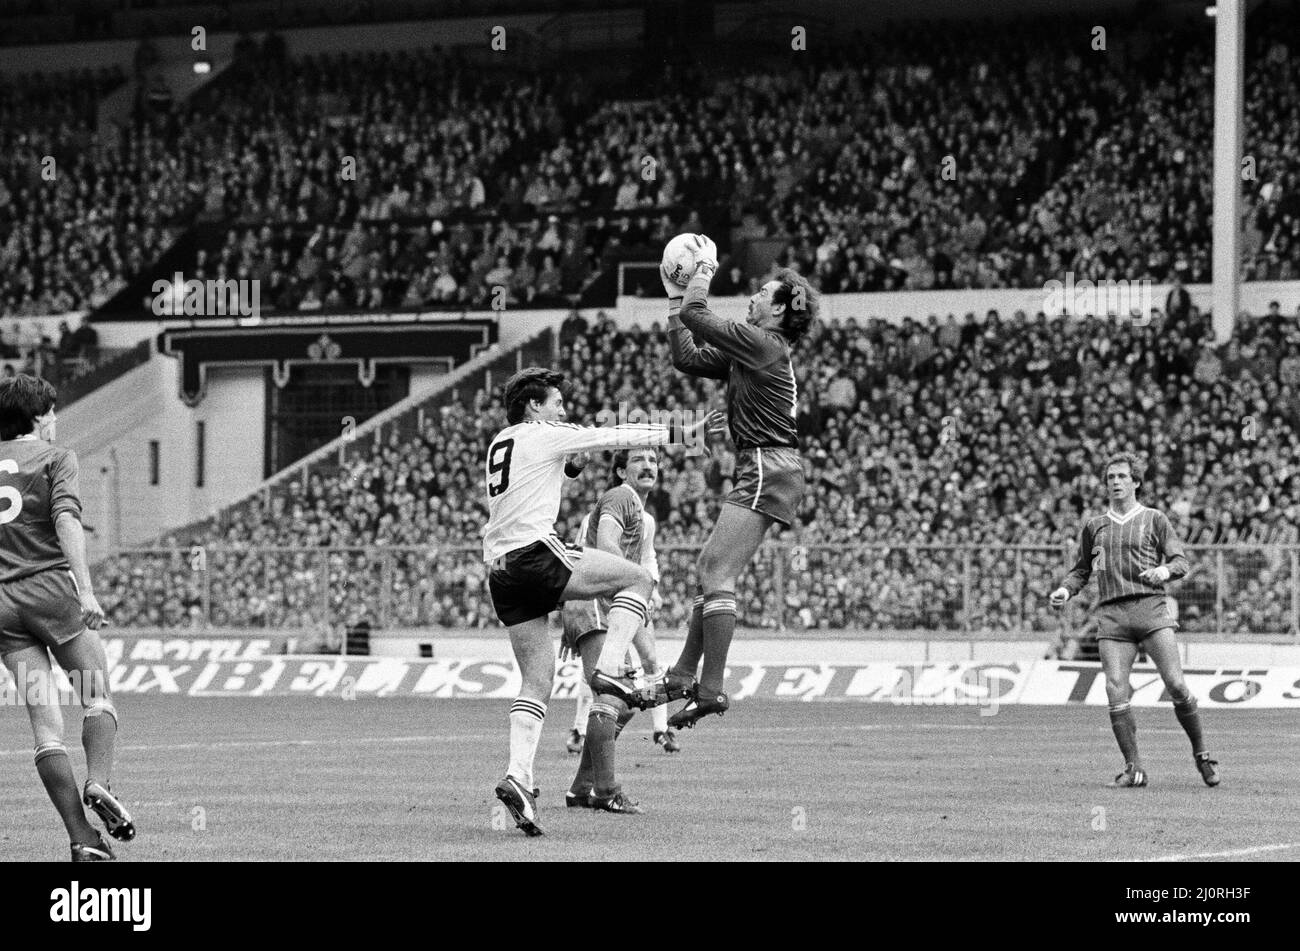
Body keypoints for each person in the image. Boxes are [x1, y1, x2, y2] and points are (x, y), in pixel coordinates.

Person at [482, 367, 717, 834]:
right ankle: (609, 670)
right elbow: (611, 433)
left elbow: (561, 469)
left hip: (500, 569)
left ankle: (519, 780)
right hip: (534, 552)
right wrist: (679, 431)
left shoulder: (501, 442)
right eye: (556, 402)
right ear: (534, 408)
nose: (563, 409)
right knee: (638, 579)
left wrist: (574, 461)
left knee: (537, 680)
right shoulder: (544, 433)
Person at [659, 237, 818, 728]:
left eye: (761, 294)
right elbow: (685, 356)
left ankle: (709, 686)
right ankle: (689, 675)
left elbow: (699, 314)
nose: (751, 297)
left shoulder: (764, 344)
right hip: (767, 465)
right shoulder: (753, 350)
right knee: (710, 567)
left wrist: (702, 270)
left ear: (777, 312)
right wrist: (672, 297)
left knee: (715, 572)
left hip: (768, 464)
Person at [0, 375, 134, 860]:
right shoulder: (57, 458)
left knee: (45, 728)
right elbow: (66, 519)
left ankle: (82, 838)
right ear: (38, 418)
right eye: (52, 412)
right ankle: (98, 782)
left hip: (4, 612)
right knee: (98, 699)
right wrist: (87, 589)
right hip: (52, 596)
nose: (56, 421)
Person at [1049, 452, 1220, 788]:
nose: (1115, 482)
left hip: (1151, 609)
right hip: (1112, 615)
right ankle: (1134, 768)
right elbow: (1082, 570)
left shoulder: (1154, 519)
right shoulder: (1094, 526)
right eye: (1110, 477)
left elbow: (1181, 561)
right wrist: (1066, 591)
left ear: (1136, 482)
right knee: (1115, 688)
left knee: (1176, 685)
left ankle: (1202, 754)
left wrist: (1164, 570)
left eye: (1122, 476)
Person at [560, 449, 680, 810]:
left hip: (600, 599)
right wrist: (626, 585)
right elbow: (606, 545)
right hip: (596, 596)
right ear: (620, 471)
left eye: (654, 461)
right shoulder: (620, 497)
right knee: (613, 697)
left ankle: (582, 789)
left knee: (623, 703)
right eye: (639, 460)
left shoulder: (644, 518)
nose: (648, 466)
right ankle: (607, 792)